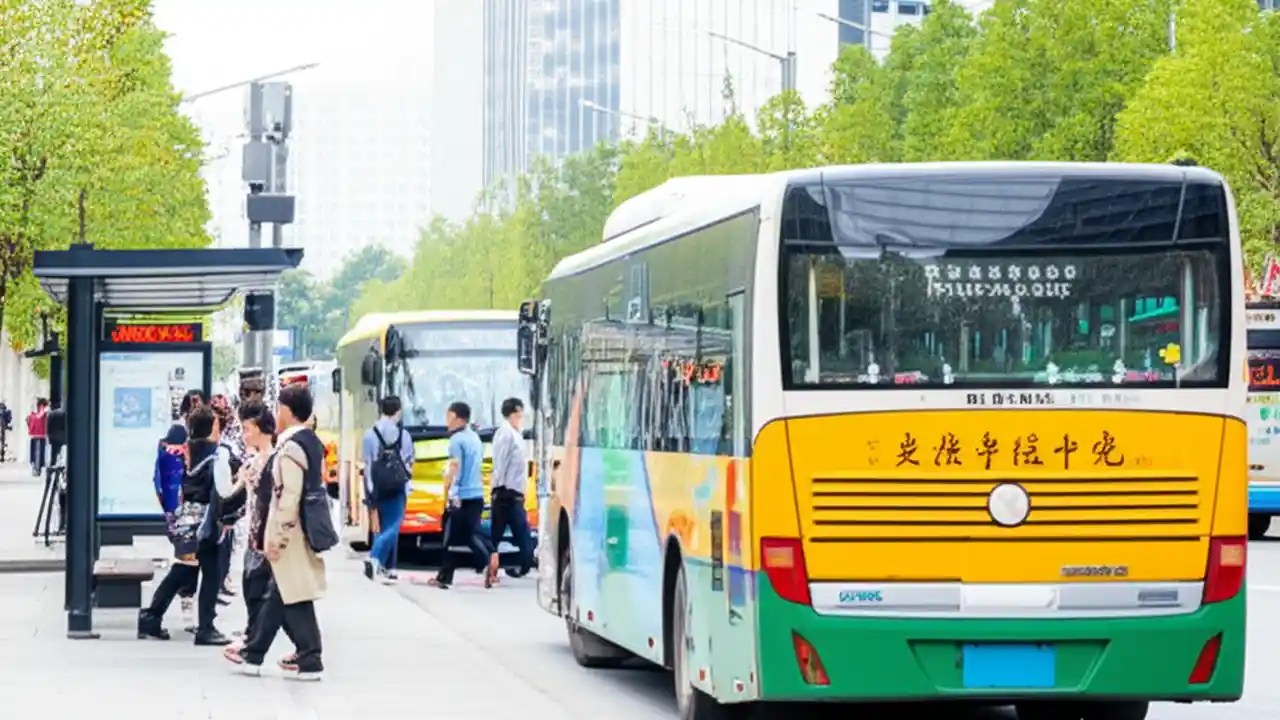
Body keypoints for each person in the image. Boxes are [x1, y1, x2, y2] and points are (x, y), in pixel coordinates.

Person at [230, 384, 326, 679]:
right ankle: (304, 655)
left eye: (278, 407)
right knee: (286, 592)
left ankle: (259, 653)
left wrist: (280, 533)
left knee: (282, 591)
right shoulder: (309, 442)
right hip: (299, 530)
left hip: (291, 532)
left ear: (285, 410)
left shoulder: (291, 448)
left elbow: (289, 494)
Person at [137, 406, 232, 645]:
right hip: (207, 522)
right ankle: (206, 628)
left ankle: (152, 616)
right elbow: (221, 490)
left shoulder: (187, 448)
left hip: (187, 520)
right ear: (212, 427)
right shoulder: (214, 453)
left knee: (184, 568)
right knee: (211, 573)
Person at [221, 400, 302, 672]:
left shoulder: (273, 459)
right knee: (268, 596)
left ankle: (254, 645)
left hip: (266, 539)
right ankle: (300, 648)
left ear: (260, 430)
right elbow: (234, 496)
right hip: (256, 537)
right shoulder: (256, 460)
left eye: (247, 429)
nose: (244, 435)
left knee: (265, 596)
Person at [430, 402, 494, 590]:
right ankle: (447, 575)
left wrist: (452, 493)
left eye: (448, 416)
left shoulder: (456, 440)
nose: (446, 421)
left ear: (457, 417)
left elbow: (455, 467)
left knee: (451, 538)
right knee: (467, 534)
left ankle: (485, 560)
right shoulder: (474, 437)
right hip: (477, 493)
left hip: (462, 496)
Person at [362, 395, 414, 584]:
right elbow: (408, 462)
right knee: (394, 526)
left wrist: (369, 489)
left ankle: (386, 567)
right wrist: (408, 484)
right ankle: (375, 558)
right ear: (398, 411)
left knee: (380, 525)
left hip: (376, 485)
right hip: (397, 486)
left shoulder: (370, 434)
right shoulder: (404, 435)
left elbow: (367, 463)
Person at [488, 398, 534, 583]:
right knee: (512, 531)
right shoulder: (505, 434)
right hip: (506, 492)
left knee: (506, 532)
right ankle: (516, 564)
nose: (521, 417)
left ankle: (519, 565)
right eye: (520, 414)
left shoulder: (515, 433)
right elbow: (500, 463)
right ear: (514, 413)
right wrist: (498, 487)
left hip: (513, 491)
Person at [26, 398, 48, 477]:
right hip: (41, 434)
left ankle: (35, 467)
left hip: (34, 433)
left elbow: (29, 419)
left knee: (34, 452)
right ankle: (37, 468)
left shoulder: (34, 411)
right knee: (40, 451)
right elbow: (40, 416)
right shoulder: (43, 410)